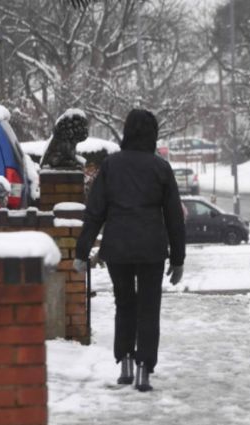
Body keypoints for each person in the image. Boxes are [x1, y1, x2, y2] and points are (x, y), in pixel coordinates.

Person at [73, 109, 186, 392]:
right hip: (151, 249)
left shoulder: (111, 166)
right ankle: (144, 368)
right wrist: (178, 258)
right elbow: (173, 216)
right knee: (149, 307)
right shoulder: (161, 168)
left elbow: (95, 211)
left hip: (118, 247)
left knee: (124, 304)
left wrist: (81, 250)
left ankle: (124, 359)